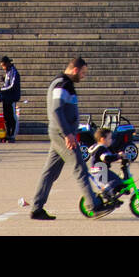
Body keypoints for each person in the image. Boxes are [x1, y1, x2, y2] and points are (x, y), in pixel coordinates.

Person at [30, 57, 107, 220]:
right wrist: (68, 134)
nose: (83, 77)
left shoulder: (64, 83)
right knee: (80, 168)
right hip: (62, 135)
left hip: (59, 134)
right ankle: (94, 205)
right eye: (83, 73)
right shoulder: (62, 84)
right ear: (75, 70)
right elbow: (57, 111)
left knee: (50, 172)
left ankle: (36, 208)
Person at [88, 127, 126, 199]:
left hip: (99, 170)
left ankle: (111, 195)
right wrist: (118, 156)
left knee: (116, 180)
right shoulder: (101, 148)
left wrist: (118, 157)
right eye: (109, 138)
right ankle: (105, 192)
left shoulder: (100, 147)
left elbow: (110, 155)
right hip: (100, 171)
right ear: (102, 139)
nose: (111, 140)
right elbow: (106, 158)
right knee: (116, 180)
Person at [0, 56, 21, 143]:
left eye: (4, 65)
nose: (3, 67)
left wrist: (0, 89)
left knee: (12, 117)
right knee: (6, 117)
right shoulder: (7, 72)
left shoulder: (14, 72)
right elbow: (7, 83)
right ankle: (8, 134)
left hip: (11, 98)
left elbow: (12, 86)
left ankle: (12, 135)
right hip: (5, 98)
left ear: (8, 63)